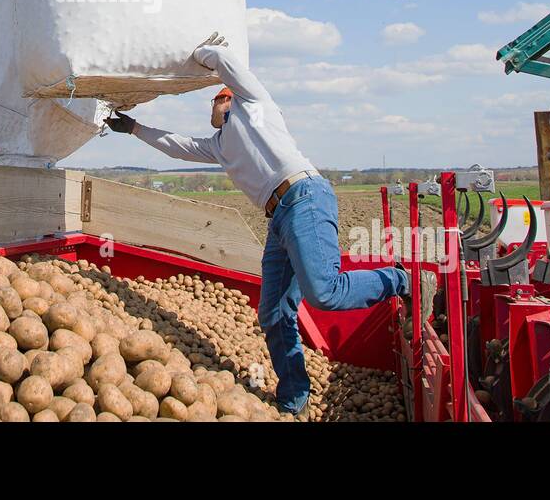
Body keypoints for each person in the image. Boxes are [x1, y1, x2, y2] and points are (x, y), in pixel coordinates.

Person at [106, 33, 408, 416]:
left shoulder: (254, 103)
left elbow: (230, 67)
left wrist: (198, 51)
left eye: (218, 96)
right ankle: (295, 396)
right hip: (279, 219)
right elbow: (175, 144)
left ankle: (402, 281)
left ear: (230, 97)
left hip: (304, 197)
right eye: (215, 99)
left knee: (325, 292)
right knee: (274, 314)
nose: (215, 103)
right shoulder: (217, 146)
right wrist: (134, 128)